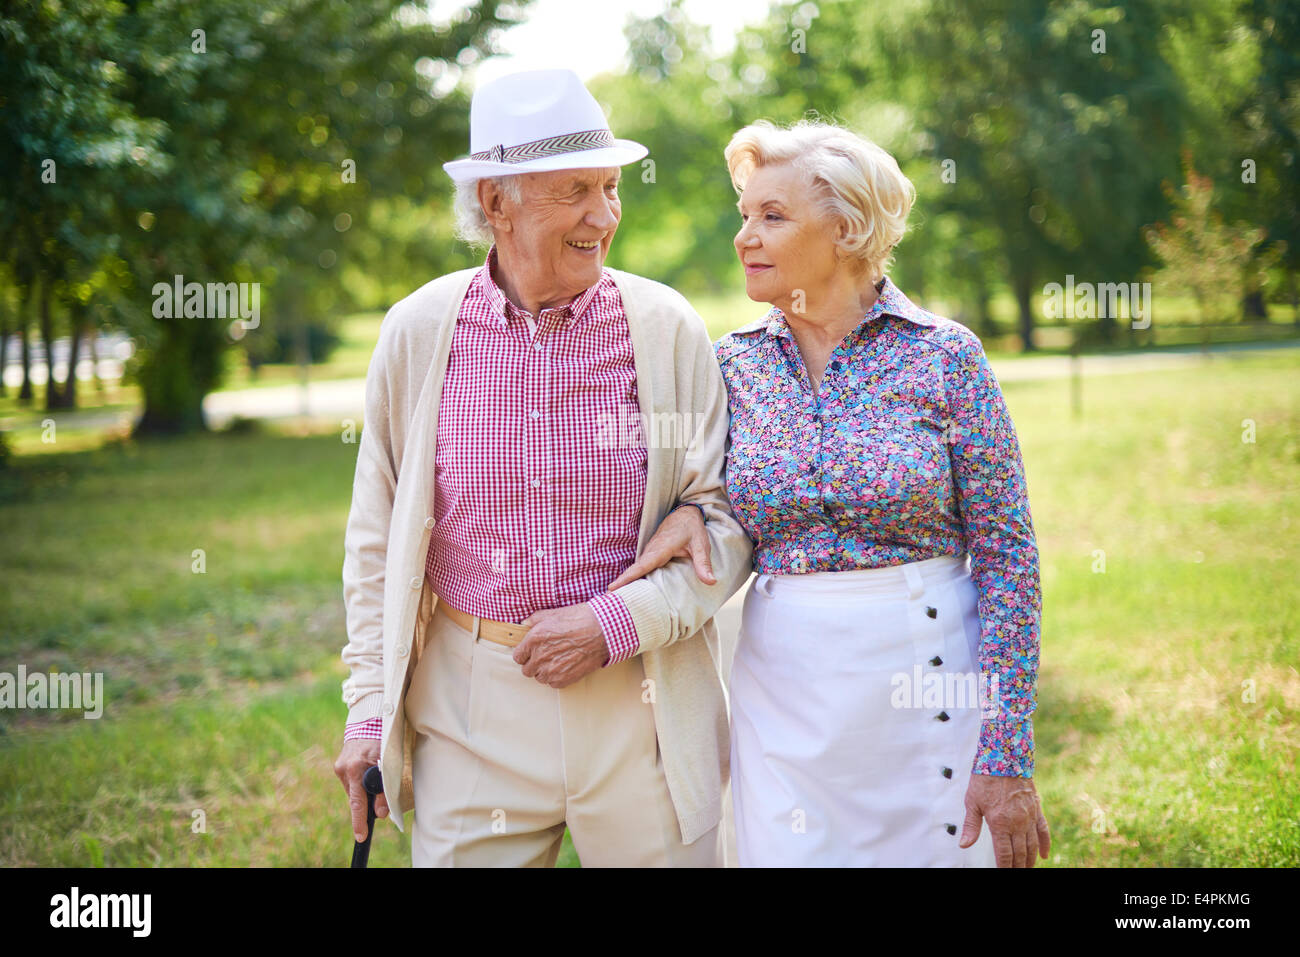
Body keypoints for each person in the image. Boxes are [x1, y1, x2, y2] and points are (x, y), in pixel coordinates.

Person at [333, 69, 752, 866]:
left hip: (642, 700)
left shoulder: (664, 328)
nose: (604, 215)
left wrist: (615, 622)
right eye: (575, 191)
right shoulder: (419, 330)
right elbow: (376, 538)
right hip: (471, 704)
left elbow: (726, 521)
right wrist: (366, 710)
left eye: (610, 187)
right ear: (497, 202)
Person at [611, 119, 1051, 867]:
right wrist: (690, 509)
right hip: (783, 698)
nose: (745, 235)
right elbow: (705, 492)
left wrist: (1005, 749)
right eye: (745, 214)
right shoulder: (732, 366)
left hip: (927, 681)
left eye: (771, 216)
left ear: (847, 229)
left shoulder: (945, 357)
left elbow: (1008, 556)